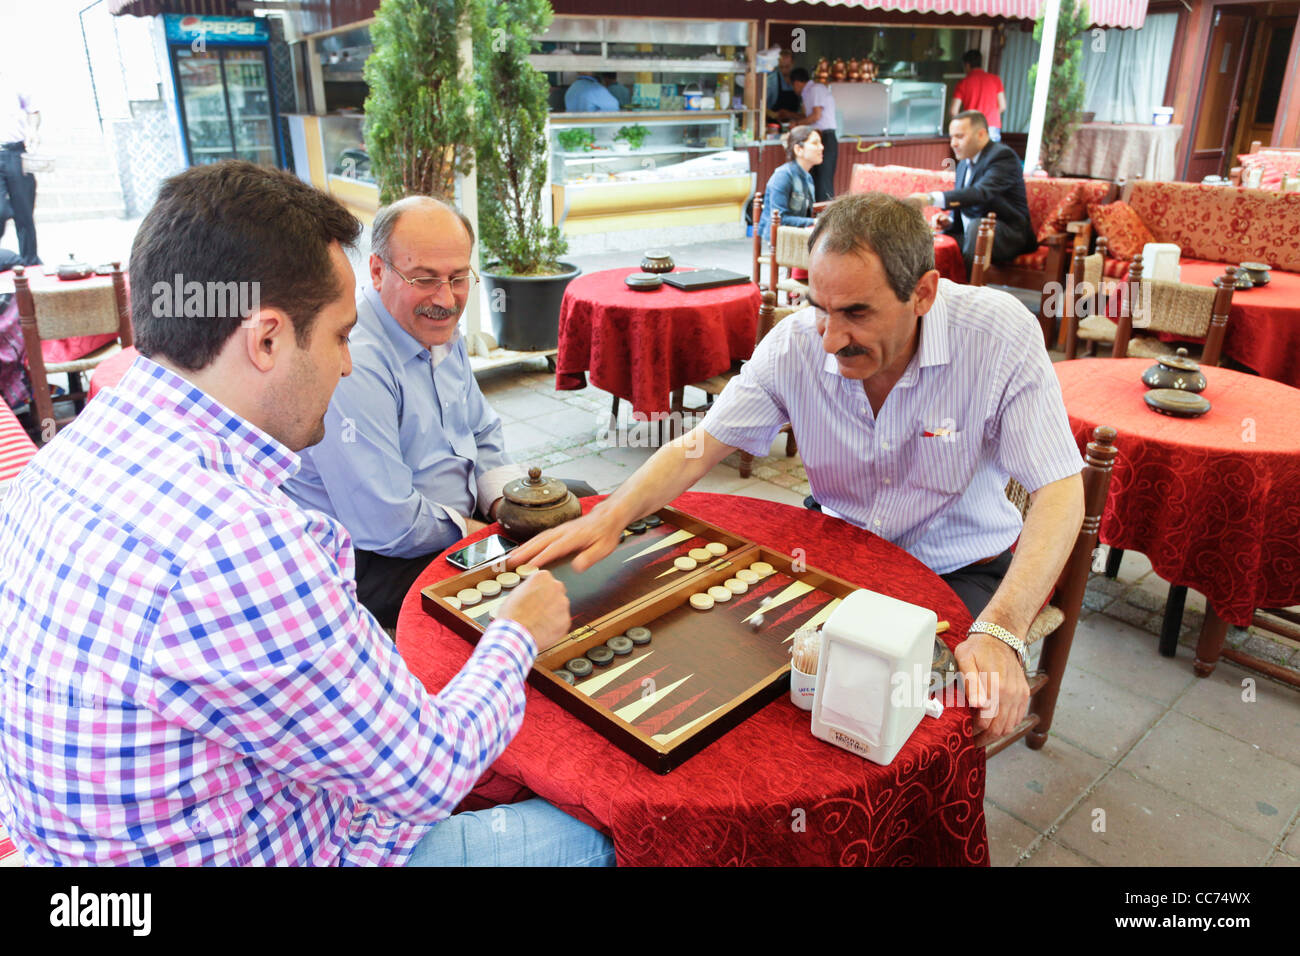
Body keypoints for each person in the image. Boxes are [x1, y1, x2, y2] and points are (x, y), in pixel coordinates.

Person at [0, 160, 614, 867]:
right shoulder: (240, 541)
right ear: (266, 340)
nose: (347, 366)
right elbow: (428, 771)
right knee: (605, 839)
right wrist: (515, 635)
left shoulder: (57, 464)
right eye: (340, 336)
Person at [512, 193, 1085, 741]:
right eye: (819, 307)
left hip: (956, 569)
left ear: (925, 293)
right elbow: (700, 445)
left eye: (857, 312)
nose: (832, 338)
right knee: (753, 692)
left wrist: (1002, 629)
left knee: (905, 716)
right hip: (833, 548)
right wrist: (611, 516)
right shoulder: (794, 345)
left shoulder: (995, 334)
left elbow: (1060, 490)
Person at [282, 197, 590, 630]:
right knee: (540, 571)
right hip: (379, 557)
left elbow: (481, 433)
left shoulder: (431, 323)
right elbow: (388, 524)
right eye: (425, 279)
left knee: (586, 505)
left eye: (458, 277)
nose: (445, 299)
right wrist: (489, 534)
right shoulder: (357, 361)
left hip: (457, 515)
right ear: (376, 270)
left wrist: (505, 502)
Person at [905, 110, 1036, 274]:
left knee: (978, 226)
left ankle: (968, 290)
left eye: (959, 137)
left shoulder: (1002, 156)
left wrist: (929, 199)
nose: (953, 143)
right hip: (970, 236)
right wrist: (950, 220)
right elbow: (966, 202)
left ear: (981, 134)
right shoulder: (963, 163)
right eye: (951, 137)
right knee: (931, 241)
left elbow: (981, 193)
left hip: (1007, 235)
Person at [0, 68, 40, 265]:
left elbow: (33, 111)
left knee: (24, 210)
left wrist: (32, 131)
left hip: (15, 152)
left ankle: (30, 260)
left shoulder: (15, 83)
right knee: (1, 210)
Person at [757, 125, 822, 241]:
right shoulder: (783, 176)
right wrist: (814, 222)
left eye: (820, 143)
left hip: (797, 235)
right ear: (798, 149)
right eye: (815, 143)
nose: (821, 147)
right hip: (779, 240)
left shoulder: (808, 177)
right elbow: (780, 219)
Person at [789, 67, 838, 203]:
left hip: (826, 138)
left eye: (792, 85)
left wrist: (797, 123)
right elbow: (809, 116)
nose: (794, 89)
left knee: (823, 181)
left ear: (797, 83)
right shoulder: (807, 93)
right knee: (814, 178)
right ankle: (814, 218)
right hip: (816, 136)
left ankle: (826, 218)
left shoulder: (815, 89)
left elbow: (816, 116)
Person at [951, 50, 1007, 142]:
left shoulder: (963, 83)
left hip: (972, 127)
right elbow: (1003, 106)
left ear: (967, 65)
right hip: (992, 126)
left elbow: (954, 111)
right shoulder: (995, 80)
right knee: (991, 156)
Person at [766, 49, 801, 120]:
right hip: (774, 123)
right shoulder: (771, 81)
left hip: (794, 123)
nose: (784, 70)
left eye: (787, 67)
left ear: (793, 63)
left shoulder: (799, 79)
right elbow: (761, 105)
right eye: (781, 67)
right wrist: (774, 115)